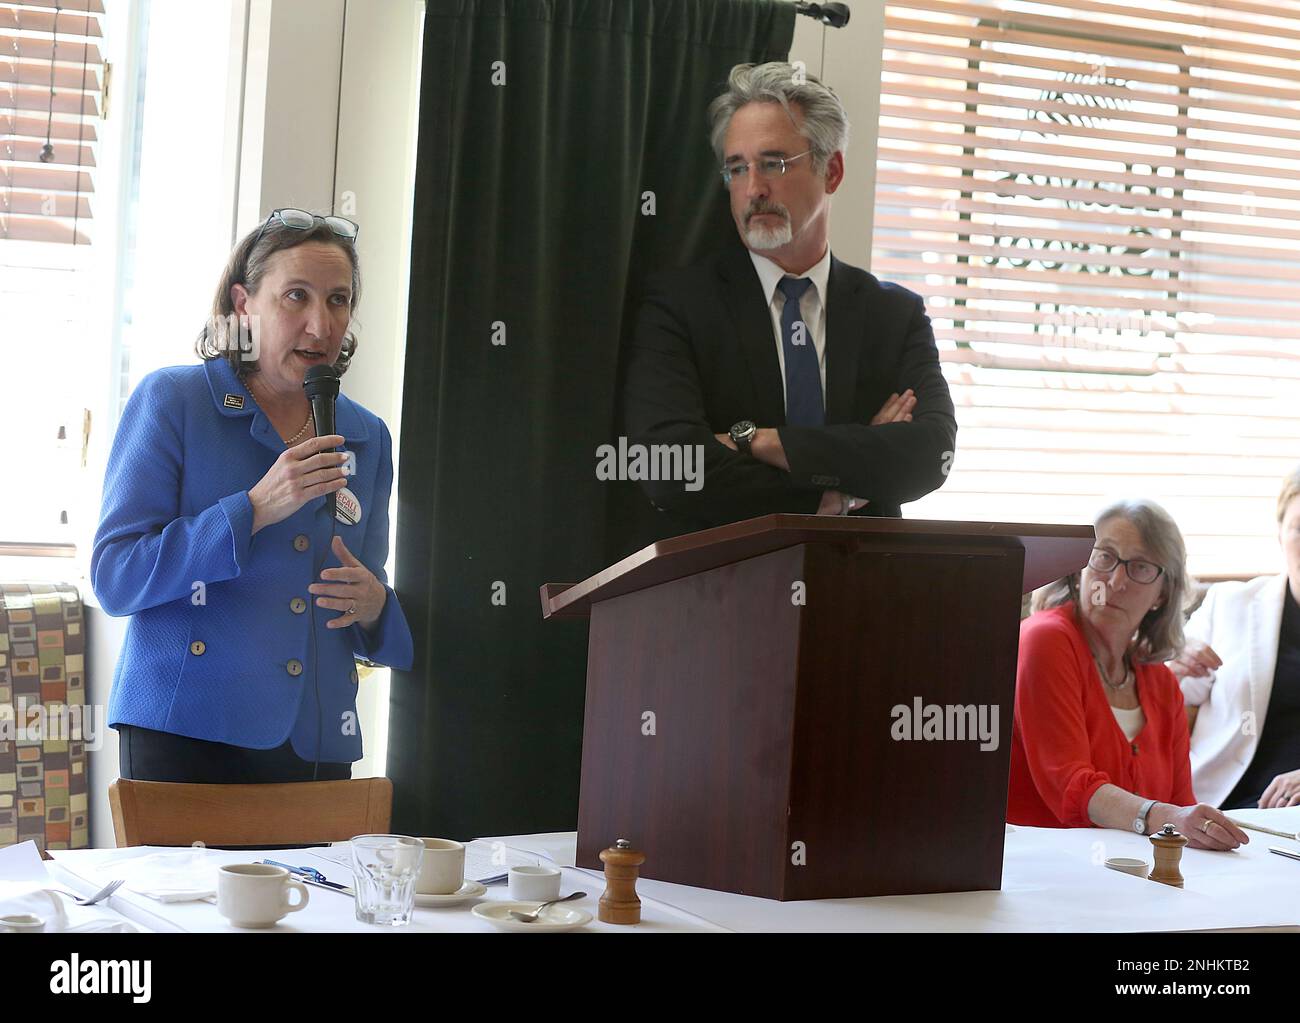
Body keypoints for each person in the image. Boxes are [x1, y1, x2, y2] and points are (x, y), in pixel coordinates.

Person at [91, 208, 413, 784]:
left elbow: (364, 590)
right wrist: (255, 509)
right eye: (296, 296)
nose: (321, 325)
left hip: (316, 744)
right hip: (186, 735)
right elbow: (117, 577)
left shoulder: (367, 436)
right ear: (244, 306)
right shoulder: (174, 401)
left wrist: (374, 608)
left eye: (338, 300)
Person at [621, 62, 956, 533]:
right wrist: (839, 490)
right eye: (737, 168)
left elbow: (929, 454)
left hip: (862, 587)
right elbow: (667, 466)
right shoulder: (677, 306)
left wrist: (753, 441)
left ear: (832, 170)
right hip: (721, 591)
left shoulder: (894, 315)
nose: (753, 189)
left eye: (773, 163)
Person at [1008, 499, 1248, 850]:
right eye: (1104, 556)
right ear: (1079, 570)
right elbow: (1070, 784)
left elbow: (1181, 802)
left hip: (1132, 879)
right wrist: (1162, 818)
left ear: (1162, 595)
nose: (1116, 581)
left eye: (1139, 567)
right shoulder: (1045, 639)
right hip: (1041, 871)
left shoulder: (1161, 683)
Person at [1171, 468, 1300, 809]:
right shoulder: (1231, 605)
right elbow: (1164, 694)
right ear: (1280, 535)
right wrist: (1177, 662)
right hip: (1222, 807)